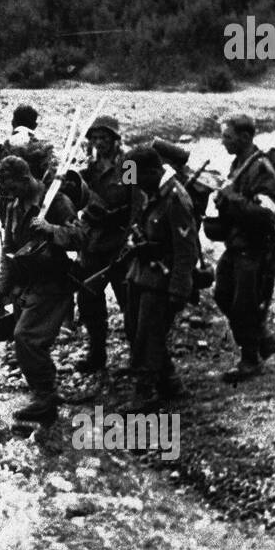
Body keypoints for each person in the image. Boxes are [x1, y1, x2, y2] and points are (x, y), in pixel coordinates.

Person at [0, 154, 82, 424]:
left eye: (13, 188)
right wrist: (0, 290)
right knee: (27, 339)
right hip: (27, 283)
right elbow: (7, 251)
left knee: (26, 337)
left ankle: (46, 397)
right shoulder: (13, 206)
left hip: (53, 281)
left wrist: (50, 229)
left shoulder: (56, 202)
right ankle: (43, 394)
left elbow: (79, 238)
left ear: (25, 178)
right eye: (6, 191)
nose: (10, 195)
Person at [120, 145, 199, 412]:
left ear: (153, 171)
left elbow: (187, 248)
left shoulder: (175, 197)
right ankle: (170, 383)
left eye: (137, 177)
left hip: (161, 279)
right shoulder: (150, 190)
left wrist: (180, 288)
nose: (135, 184)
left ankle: (144, 392)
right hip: (141, 273)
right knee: (134, 328)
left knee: (148, 334)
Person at [209, 115, 275, 382]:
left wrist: (231, 199)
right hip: (237, 244)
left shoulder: (261, 168)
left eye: (227, 136)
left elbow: (266, 214)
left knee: (244, 304)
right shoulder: (238, 165)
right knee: (222, 295)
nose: (223, 141)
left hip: (256, 248)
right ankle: (262, 338)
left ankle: (250, 359)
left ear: (245, 137)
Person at [74, 114, 134, 374]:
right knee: (89, 301)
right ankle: (96, 354)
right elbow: (77, 196)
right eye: (95, 138)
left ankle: (138, 356)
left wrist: (124, 225)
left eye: (104, 137)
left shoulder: (127, 164)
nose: (99, 142)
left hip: (119, 243)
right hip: (93, 243)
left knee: (129, 302)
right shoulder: (88, 166)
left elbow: (135, 200)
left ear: (115, 139)